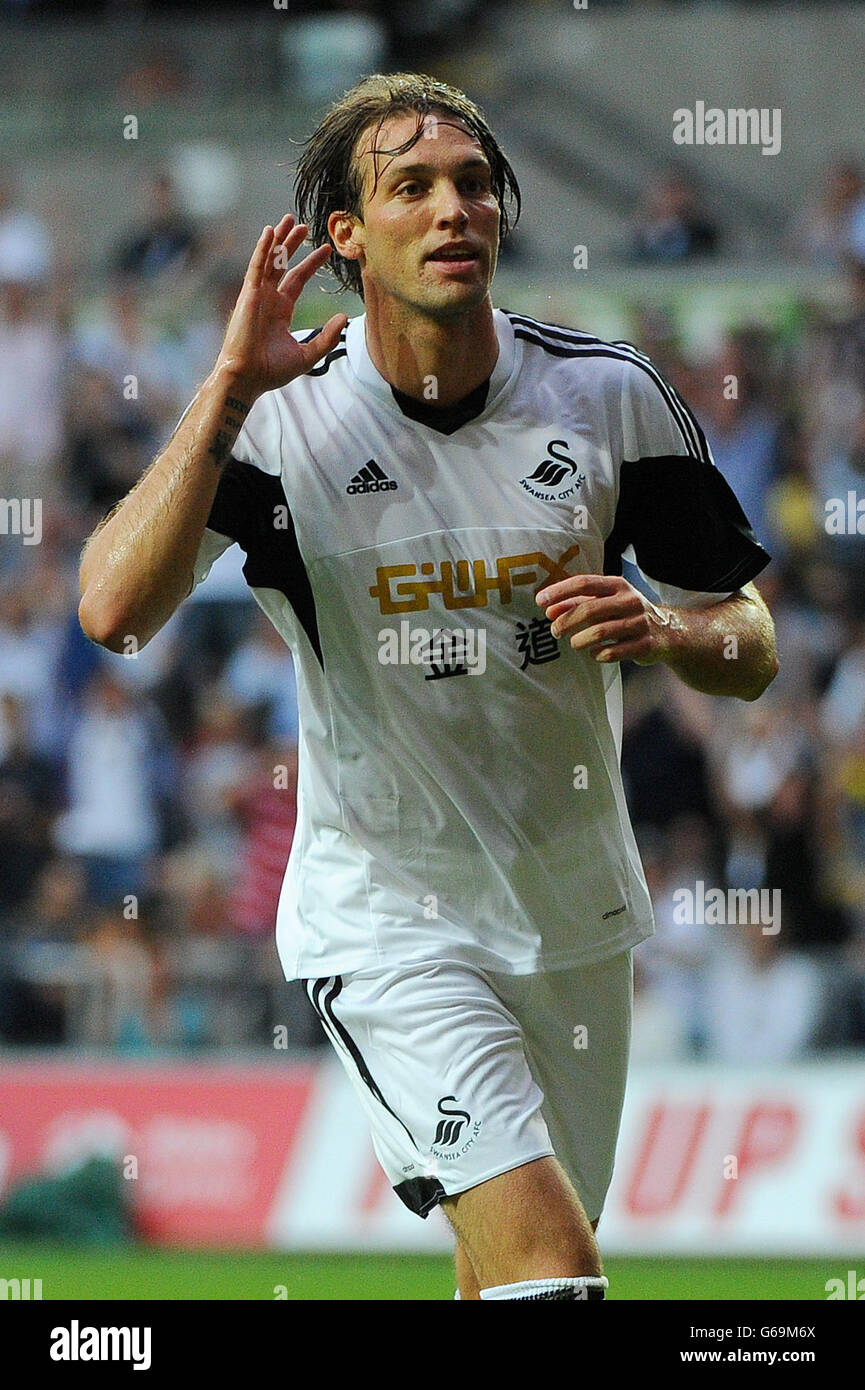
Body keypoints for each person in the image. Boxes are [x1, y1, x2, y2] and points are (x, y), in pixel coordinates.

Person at [78, 72, 778, 1302]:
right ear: (347, 236)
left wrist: (670, 628)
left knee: (499, 1279)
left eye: (471, 184)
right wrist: (227, 390)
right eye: (411, 186)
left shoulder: (605, 395)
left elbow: (752, 640)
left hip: (570, 916)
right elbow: (113, 611)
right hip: (388, 917)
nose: (452, 208)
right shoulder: (285, 425)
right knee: (554, 1274)